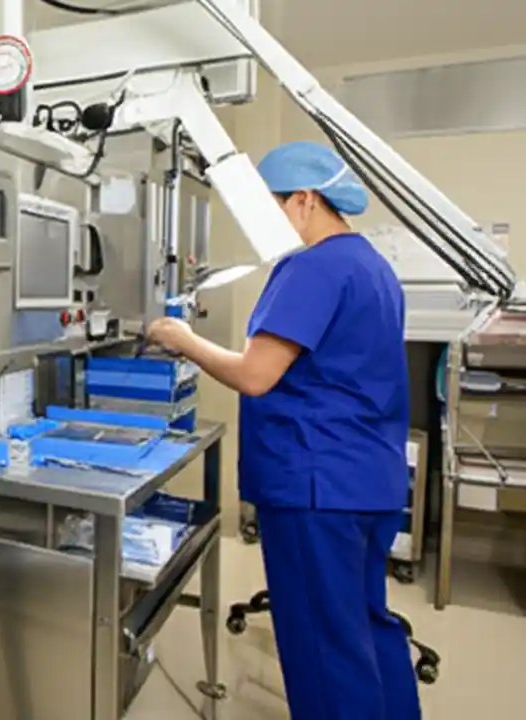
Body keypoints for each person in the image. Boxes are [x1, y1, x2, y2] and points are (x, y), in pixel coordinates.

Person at [147, 141, 421, 720]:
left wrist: (184, 341)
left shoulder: (314, 267)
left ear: (304, 199)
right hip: (369, 482)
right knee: (366, 625)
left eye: (270, 209)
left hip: (315, 489)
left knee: (324, 649)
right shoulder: (372, 267)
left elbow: (255, 375)